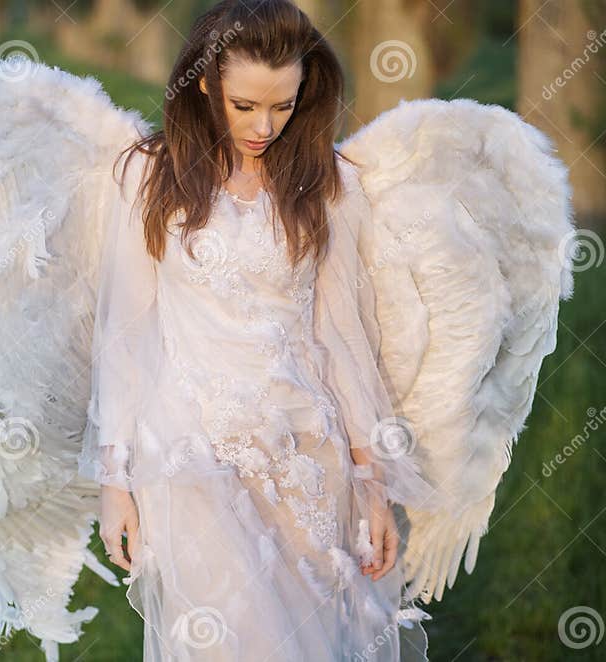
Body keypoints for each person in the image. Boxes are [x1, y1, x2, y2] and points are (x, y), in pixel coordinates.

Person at [78, 1, 440, 659]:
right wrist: (115, 478)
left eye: (283, 105)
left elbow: (342, 335)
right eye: (244, 106)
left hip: (306, 451)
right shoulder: (146, 176)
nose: (265, 126)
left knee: (318, 643)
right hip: (191, 455)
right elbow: (125, 333)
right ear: (207, 82)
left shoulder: (325, 181)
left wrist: (372, 483)